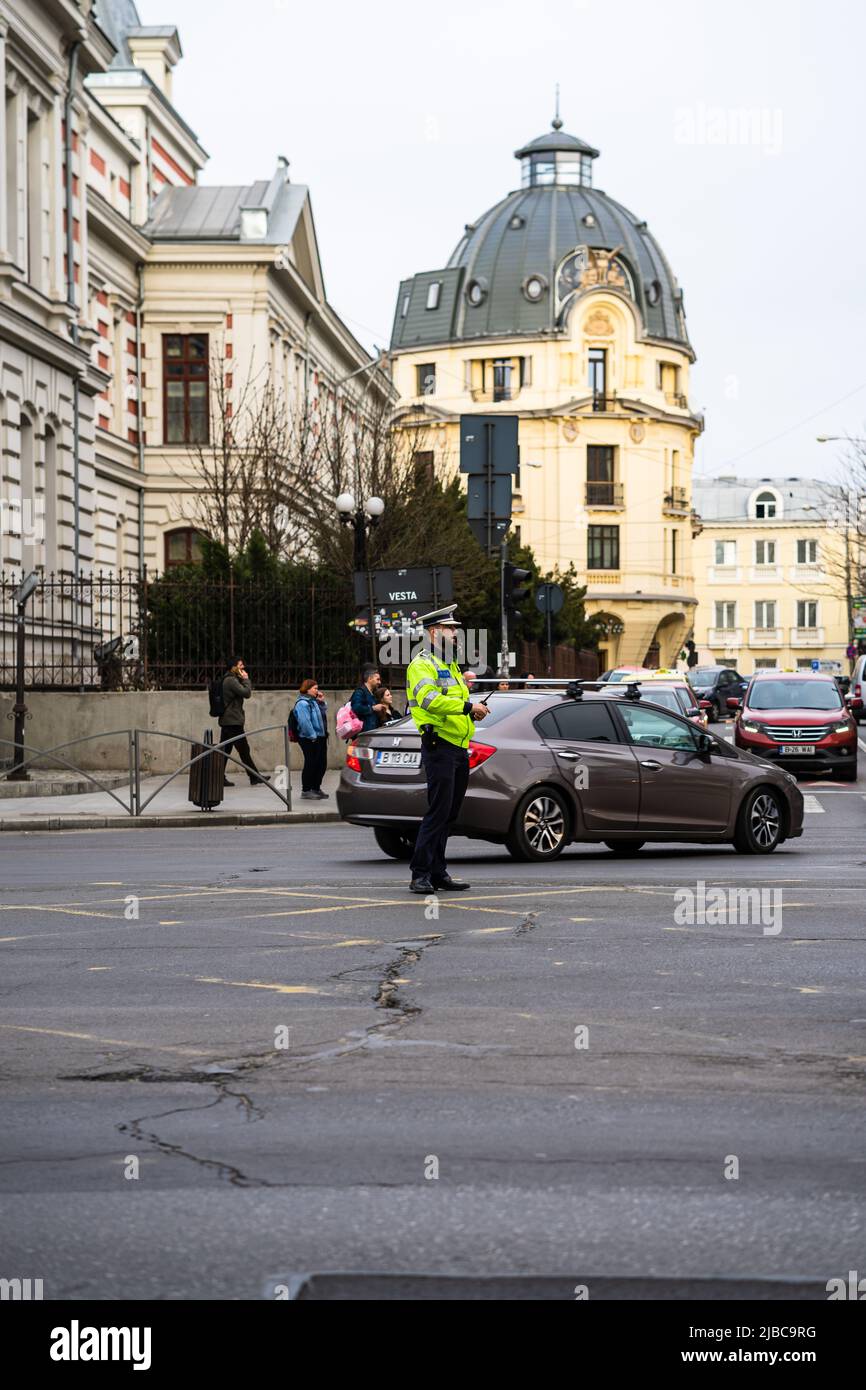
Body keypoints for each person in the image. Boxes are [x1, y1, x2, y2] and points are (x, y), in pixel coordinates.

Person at [406, 603, 488, 895]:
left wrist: (473, 712)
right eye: (450, 629)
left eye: (455, 629)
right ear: (433, 632)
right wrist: (467, 706)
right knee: (438, 812)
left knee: (449, 814)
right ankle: (420, 874)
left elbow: (453, 703)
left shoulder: (450, 665)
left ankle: (438, 872)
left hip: (458, 747)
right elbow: (429, 701)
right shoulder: (421, 665)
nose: (455, 634)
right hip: (438, 745)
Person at [219, 656, 270, 786]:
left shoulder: (230, 678)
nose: (243, 667)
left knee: (225, 750)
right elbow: (246, 693)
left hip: (229, 720)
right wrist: (246, 679)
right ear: (233, 667)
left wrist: (242, 679)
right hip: (232, 721)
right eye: (240, 665)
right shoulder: (230, 680)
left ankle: (218, 776)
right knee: (243, 750)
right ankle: (254, 777)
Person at [293, 678, 329, 800]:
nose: (317, 690)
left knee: (321, 764)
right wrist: (312, 736)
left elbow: (323, 714)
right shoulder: (302, 703)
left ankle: (316, 788)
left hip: (320, 737)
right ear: (307, 689)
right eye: (315, 688)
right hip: (309, 738)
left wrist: (321, 702)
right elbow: (304, 722)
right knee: (311, 763)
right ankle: (306, 790)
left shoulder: (313, 701)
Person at [350, 665, 386, 732]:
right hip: (363, 735)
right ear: (370, 679)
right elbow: (356, 708)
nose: (379, 682)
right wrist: (373, 708)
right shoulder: (360, 692)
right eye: (377, 679)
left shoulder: (373, 693)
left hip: (371, 733)